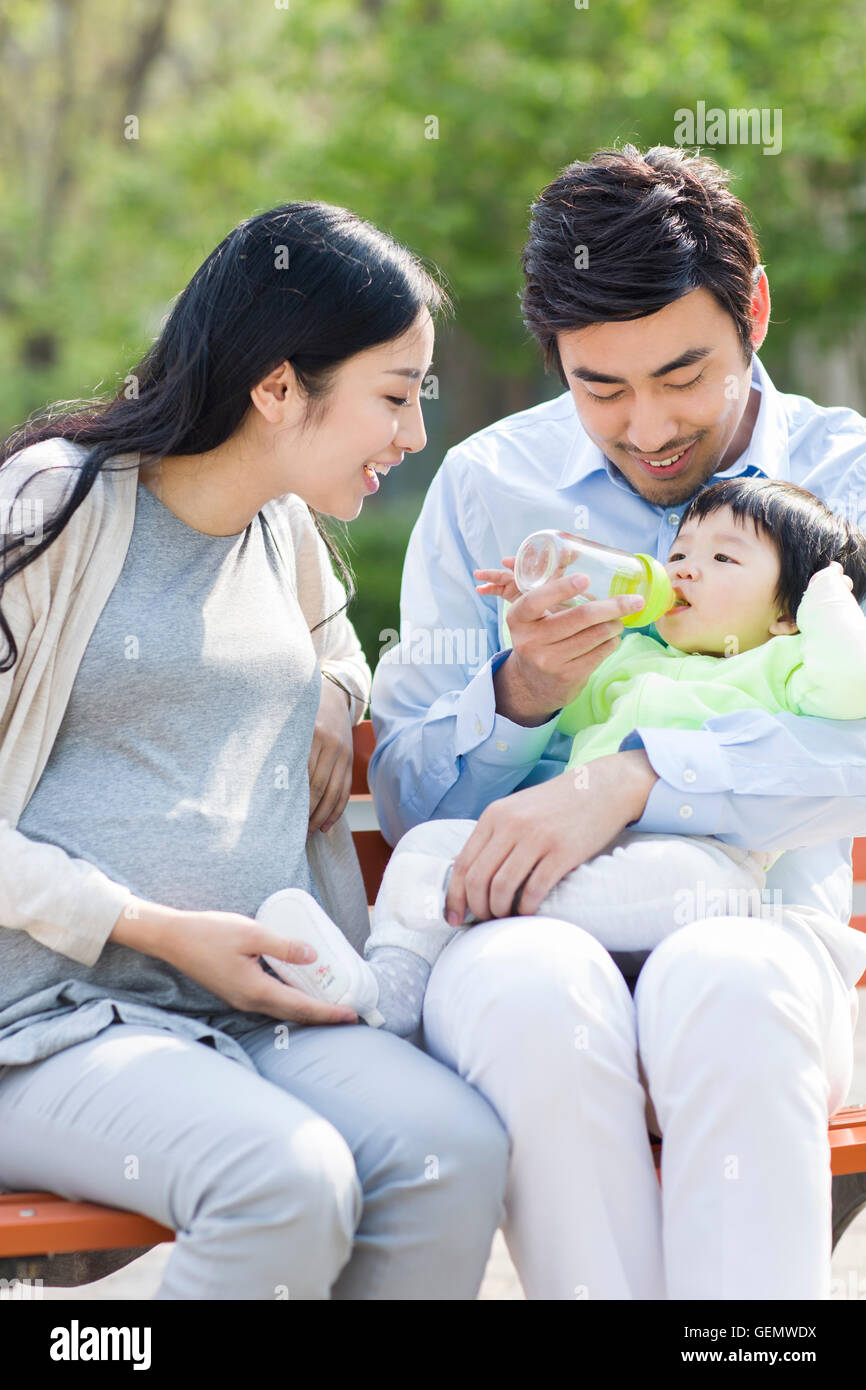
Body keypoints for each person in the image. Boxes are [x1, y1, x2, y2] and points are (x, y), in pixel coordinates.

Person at [367, 144, 866, 1299]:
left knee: (728, 987)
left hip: (766, 927)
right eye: (600, 387)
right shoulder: (490, 487)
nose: (646, 428)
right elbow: (405, 801)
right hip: (514, 932)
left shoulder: (844, 483)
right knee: (541, 1000)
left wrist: (636, 774)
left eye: (682, 374)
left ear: (753, 312)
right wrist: (520, 697)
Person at [0, 201, 509, 1300]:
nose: (413, 435)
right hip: (44, 1027)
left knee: (450, 1152)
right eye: (391, 396)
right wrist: (152, 928)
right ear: (277, 387)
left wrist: (332, 692)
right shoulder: (52, 508)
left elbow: (330, 652)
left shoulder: (283, 531)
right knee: (285, 1181)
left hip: (255, 1011)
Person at [258, 475, 866, 1034]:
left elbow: (850, 685)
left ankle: (473, 899)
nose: (684, 571)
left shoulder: (783, 664)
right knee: (428, 846)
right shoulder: (631, 658)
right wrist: (535, 620)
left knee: (671, 878)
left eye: (723, 558)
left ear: (786, 612)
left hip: (706, 870)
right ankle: (384, 1001)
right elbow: (562, 709)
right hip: (581, 856)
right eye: (679, 554)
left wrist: (829, 604)